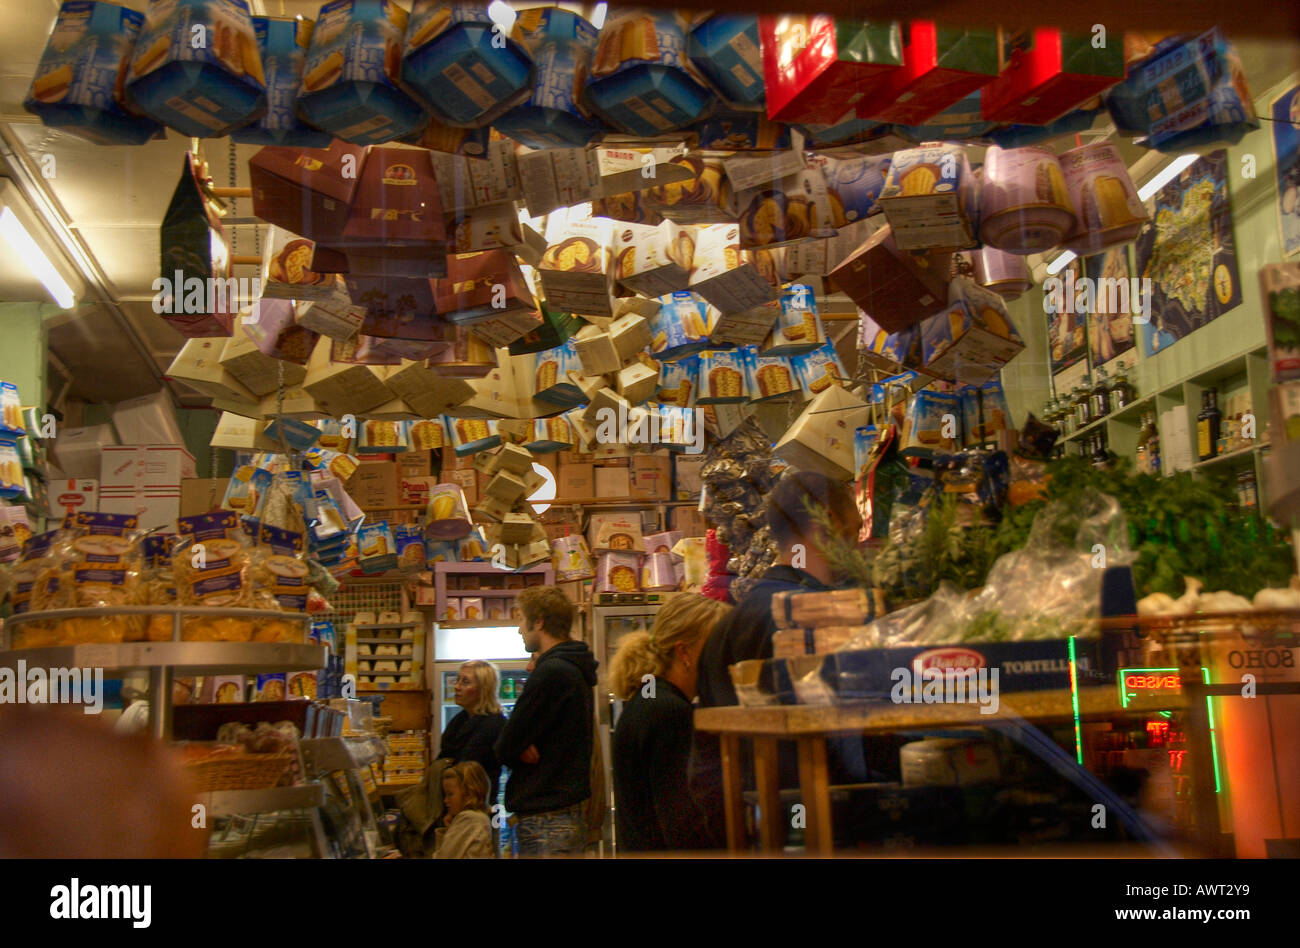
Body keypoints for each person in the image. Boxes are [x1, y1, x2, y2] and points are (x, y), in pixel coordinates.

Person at [692, 471, 864, 845]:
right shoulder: (819, 620)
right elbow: (844, 750)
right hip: (824, 833)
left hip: (753, 834)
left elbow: (707, 759)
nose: (856, 548)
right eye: (854, 532)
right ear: (827, 522)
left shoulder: (724, 630)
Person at [609, 593, 732, 853]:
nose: (724, 658)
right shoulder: (669, 712)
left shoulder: (650, 698)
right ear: (684, 652)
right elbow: (683, 823)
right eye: (717, 646)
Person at [493, 586, 598, 857]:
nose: (519, 629)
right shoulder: (575, 667)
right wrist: (519, 746)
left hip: (546, 823)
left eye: (520, 619)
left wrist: (516, 747)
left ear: (538, 621)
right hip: (565, 817)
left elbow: (504, 746)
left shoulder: (551, 672)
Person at [440, 660, 507, 808]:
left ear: (483, 689)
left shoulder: (493, 724)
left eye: (465, 682)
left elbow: (467, 766)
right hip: (456, 804)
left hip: (478, 806)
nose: (457, 687)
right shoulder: (459, 721)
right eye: (457, 680)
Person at [433, 761, 495, 859]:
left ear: (468, 793)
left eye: (450, 794)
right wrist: (449, 830)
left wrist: (445, 834)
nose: (445, 800)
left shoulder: (469, 818)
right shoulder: (481, 818)